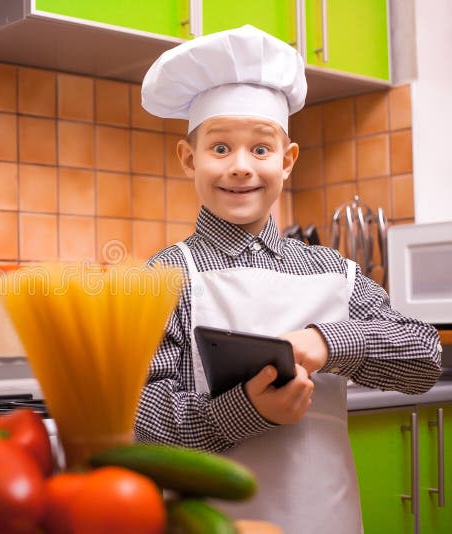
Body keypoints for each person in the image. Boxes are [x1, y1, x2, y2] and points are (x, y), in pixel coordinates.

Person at [134, 25, 442, 534]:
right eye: (220, 148)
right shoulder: (167, 277)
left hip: (328, 518)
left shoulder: (334, 272)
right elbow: (142, 421)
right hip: (216, 524)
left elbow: (424, 357)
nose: (240, 167)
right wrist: (244, 410)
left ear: (288, 161)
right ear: (189, 159)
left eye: (260, 150)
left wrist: (328, 341)